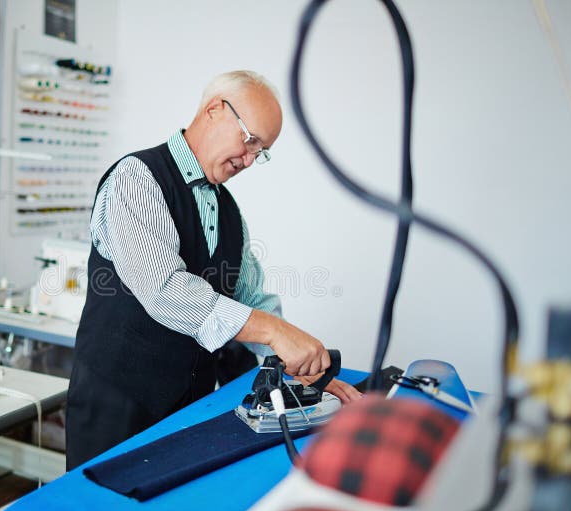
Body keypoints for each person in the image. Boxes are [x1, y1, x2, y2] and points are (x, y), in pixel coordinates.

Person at [66, 70, 361, 470]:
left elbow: (251, 297)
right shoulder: (136, 178)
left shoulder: (229, 210)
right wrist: (276, 333)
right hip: (118, 409)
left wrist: (305, 372)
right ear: (214, 111)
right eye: (251, 139)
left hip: (190, 407)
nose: (252, 159)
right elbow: (165, 290)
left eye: (263, 151)